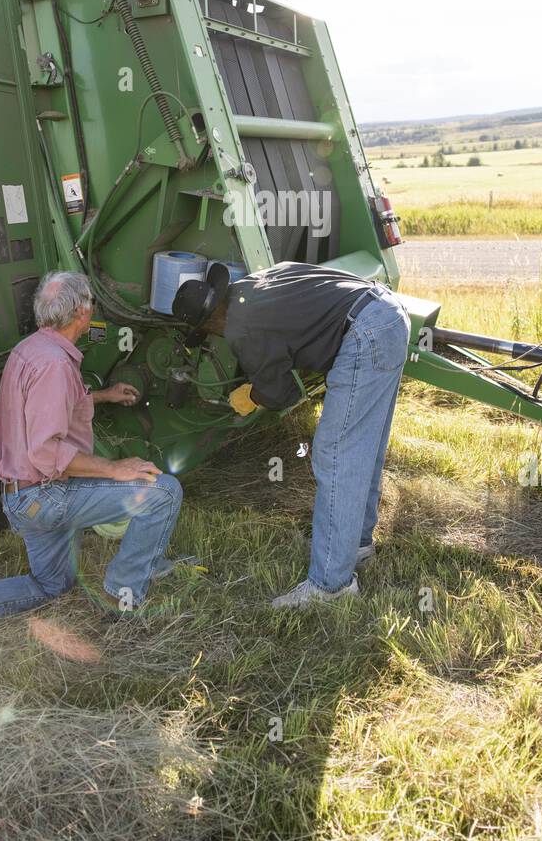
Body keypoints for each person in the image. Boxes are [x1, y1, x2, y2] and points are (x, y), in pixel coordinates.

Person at [0, 271, 183, 633]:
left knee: (52, 584)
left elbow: (50, 406)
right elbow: (46, 454)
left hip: (23, 499)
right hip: (48, 495)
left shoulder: (33, 350)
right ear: (82, 313)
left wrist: (104, 395)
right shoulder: (55, 365)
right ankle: (122, 593)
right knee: (163, 492)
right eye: (92, 305)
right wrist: (114, 468)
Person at [173, 260, 410, 609]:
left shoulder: (239, 327)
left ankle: (330, 586)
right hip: (388, 313)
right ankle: (354, 546)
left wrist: (251, 395)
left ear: (212, 320)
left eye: (210, 330)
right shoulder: (258, 282)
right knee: (364, 448)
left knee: (335, 456)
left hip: (364, 335)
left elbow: (283, 394)